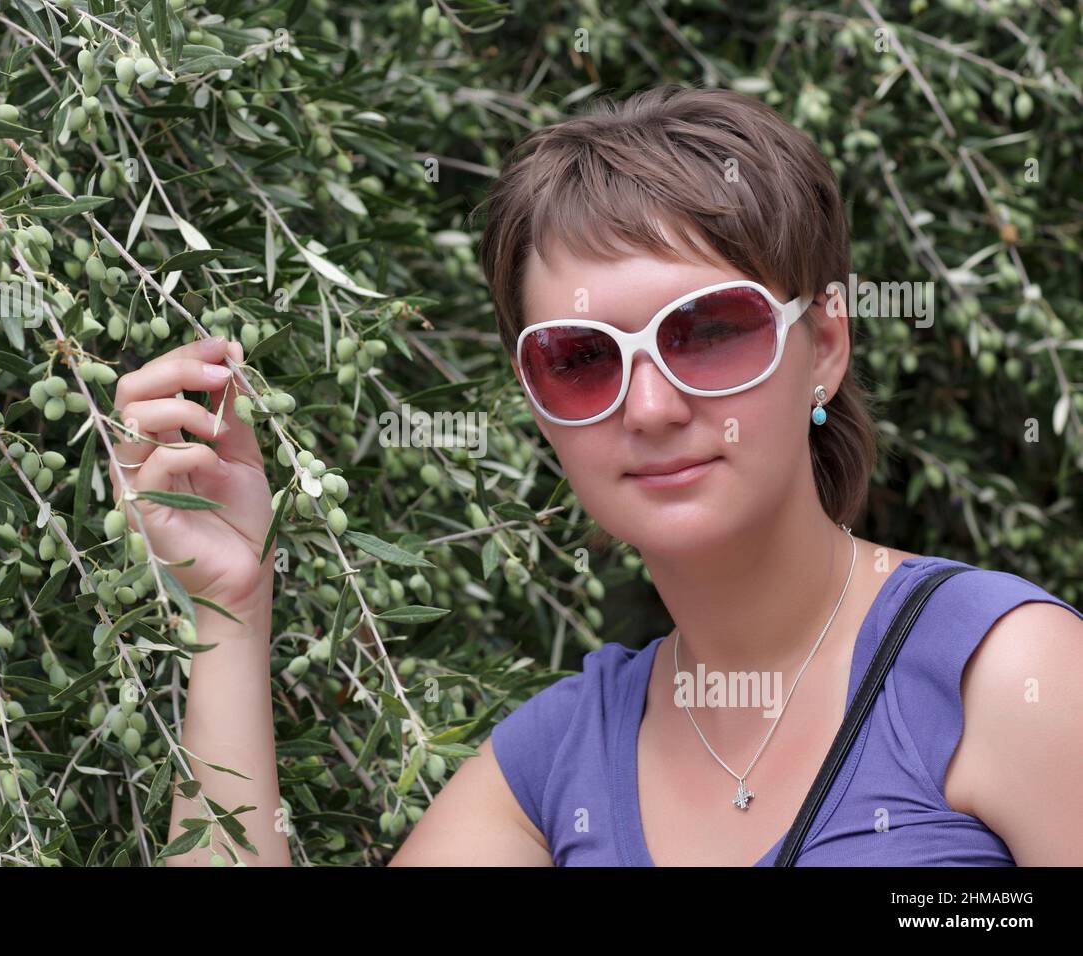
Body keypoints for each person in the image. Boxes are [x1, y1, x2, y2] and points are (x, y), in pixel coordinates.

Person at [112, 85, 1083, 867]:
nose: (651, 405)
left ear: (822, 346)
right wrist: (229, 609)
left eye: (710, 332)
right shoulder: (555, 761)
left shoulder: (1003, 673)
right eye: (580, 357)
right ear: (539, 404)